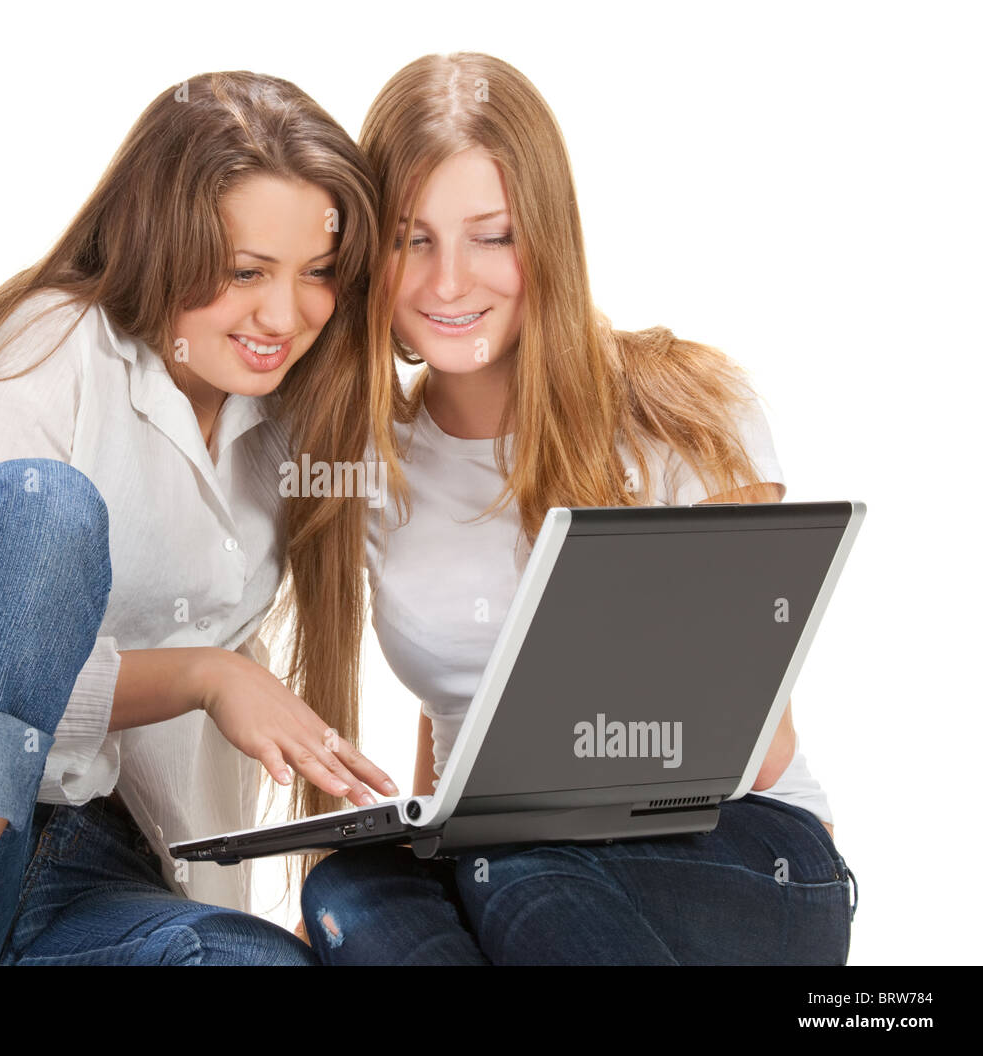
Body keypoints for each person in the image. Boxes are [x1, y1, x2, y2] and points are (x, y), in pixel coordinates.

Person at [0, 69, 397, 966]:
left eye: (317, 275)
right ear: (163, 241)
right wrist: (203, 676)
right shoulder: (52, 346)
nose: (284, 315)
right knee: (42, 514)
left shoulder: (292, 423)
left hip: (89, 869)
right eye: (245, 271)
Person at [298, 52, 857, 965]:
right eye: (413, 239)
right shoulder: (375, 468)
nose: (447, 284)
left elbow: (756, 749)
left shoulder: (686, 408)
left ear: (546, 238)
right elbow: (457, 710)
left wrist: (507, 818)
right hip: (505, 868)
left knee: (513, 860)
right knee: (346, 888)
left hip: (750, 858)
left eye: (491, 236)